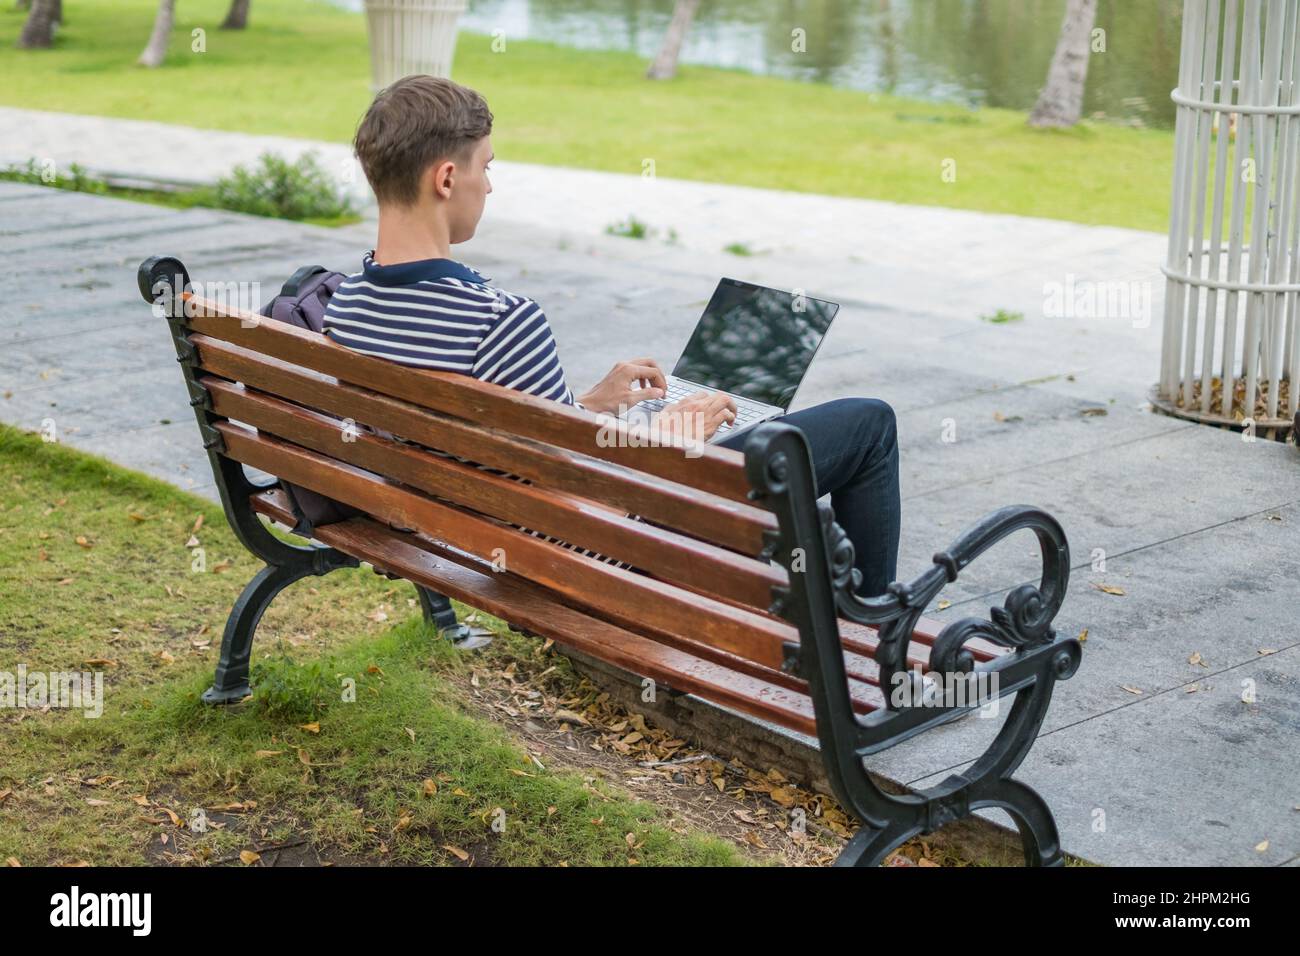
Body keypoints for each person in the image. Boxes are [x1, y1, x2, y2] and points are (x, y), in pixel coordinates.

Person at [323, 76, 900, 596]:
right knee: (867, 424)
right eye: (487, 167)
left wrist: (586, 407)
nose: (490, 187)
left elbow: (517, 444)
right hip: (596, 550)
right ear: (447, 178)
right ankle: (873, 629)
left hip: (472, 531)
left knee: (732, 423)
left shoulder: (344, 308)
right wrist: (676, 445)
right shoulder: (500, 319)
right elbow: (585, 496)